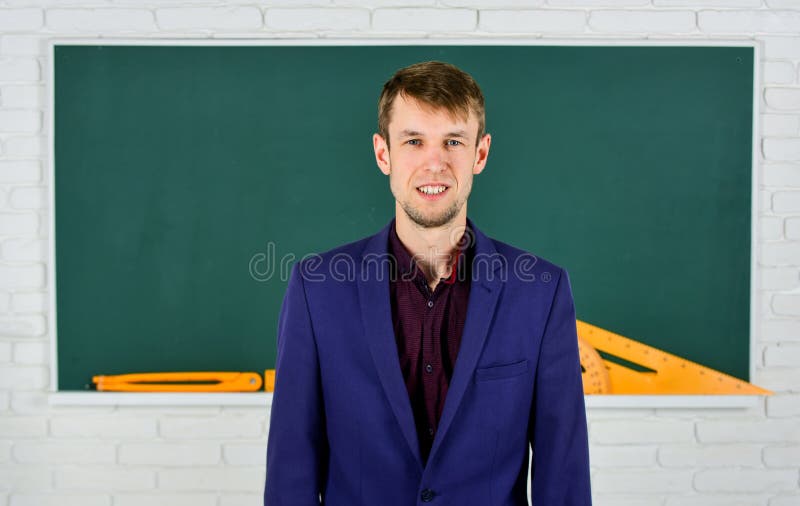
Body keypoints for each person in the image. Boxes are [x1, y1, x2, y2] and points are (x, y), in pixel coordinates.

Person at [264, 61, 591, 506]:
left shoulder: (542, 292)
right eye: (414, 141)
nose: (434, 163)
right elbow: (291, 470)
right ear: (384, 154)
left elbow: (564, 474)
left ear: (480, 153)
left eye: (453, 142)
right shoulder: (315, 289)